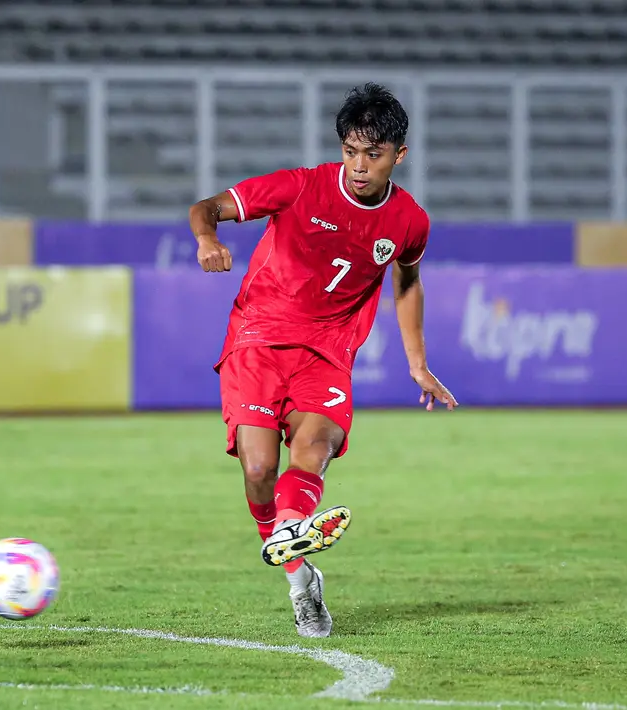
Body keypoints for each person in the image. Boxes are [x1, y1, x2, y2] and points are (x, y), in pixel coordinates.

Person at [188, 82, 458, 638]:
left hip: (329, 353)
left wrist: (417, 362)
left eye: (374, 155)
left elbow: (408, 283)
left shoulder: (409, 221)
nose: (360, 166)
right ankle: (299, 574)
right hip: (257, 340)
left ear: (398, 156)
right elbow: (206, 206)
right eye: (351, 151)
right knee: (260, 470)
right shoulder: (298, 187)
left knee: (314, 449)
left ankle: (292, 529)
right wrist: (206, 238)